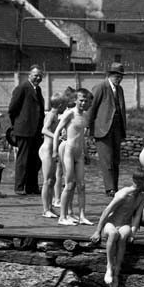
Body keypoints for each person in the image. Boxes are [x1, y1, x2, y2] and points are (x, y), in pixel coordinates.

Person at [89, 168, 144, 287]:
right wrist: (97, 231)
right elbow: (106, 211)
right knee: (114, 234)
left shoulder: (142, 196)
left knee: (124, 234)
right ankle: (109, 267)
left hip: (125, 224)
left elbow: (137, 215)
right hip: (111, 223)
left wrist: (133, 232)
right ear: (143, 183)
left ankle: (117, 272)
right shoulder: (123, 194)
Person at [86, 62, 127, 196]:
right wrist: (88, 126)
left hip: (116, 128)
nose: (119, 78)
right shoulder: (100, 87)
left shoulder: (120, 89)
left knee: (116, 160)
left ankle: (114, 187)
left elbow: (122, 110)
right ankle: (109, 188)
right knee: (106, 159)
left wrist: (123, 130)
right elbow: (91, 108)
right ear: (109, 75)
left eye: (120, 76)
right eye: (116, 75)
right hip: (102, 128)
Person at [54, 88, 93, 225]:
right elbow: (57, 132)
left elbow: (82, 138)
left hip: (79, 152)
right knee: (69, 184)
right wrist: (54, 151)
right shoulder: (70, 114)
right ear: (76, 100)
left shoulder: (85, 116)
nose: (83, 103)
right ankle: (62, 216)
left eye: (86, 101)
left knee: (81, 185)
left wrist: (86, 153)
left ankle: (82, 215)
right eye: (81, 100)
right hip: (68, 151)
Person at [7, 65, 46, 195]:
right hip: (24, 129)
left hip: (36, 130)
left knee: (35, 159)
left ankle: (32, 186)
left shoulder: (38, 89)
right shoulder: (22, 88)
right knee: (23, 159)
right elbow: (12, 108)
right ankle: (19, 187)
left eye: (40, 75)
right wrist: (18, 124)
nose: (38, 78)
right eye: (35, 75)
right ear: (29, 75)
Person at [39, 95, 68, 218]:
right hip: (46, 150)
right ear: (60, 105)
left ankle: (50, 207)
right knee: (47, 181)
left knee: (53, 180)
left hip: (51, 150)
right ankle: (45, 209)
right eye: (65, 105)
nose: (65, 107)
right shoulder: (51, 115)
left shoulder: (56, 116)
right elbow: (44, 130)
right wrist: (57, 136)